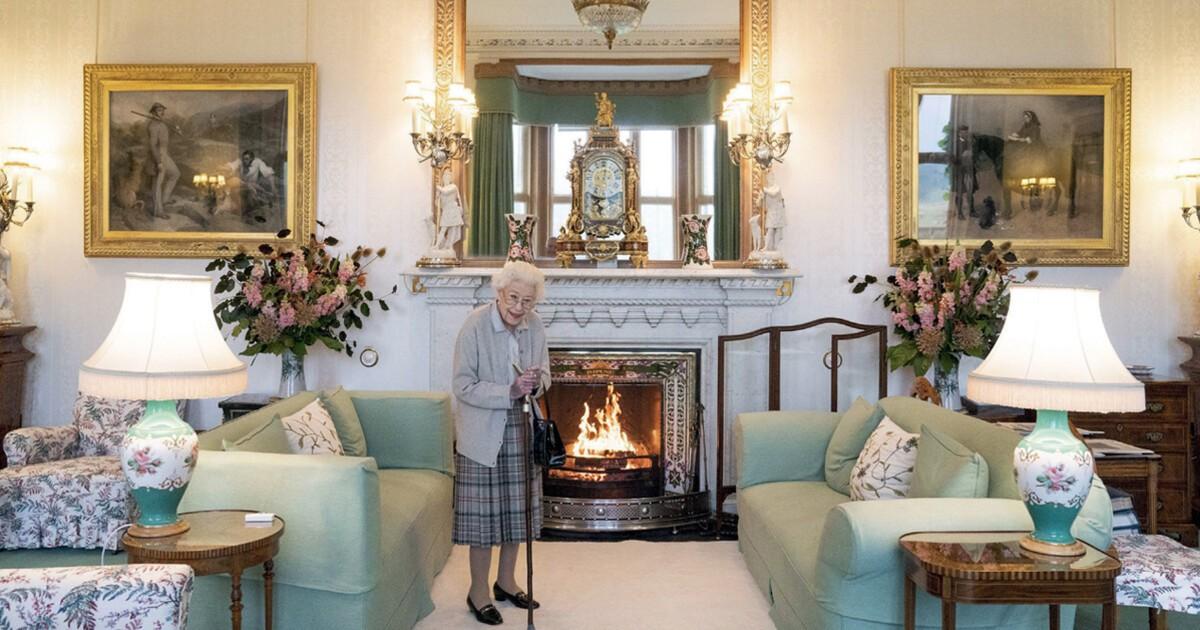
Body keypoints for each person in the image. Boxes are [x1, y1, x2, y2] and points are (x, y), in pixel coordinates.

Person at [452, 261, 550, 626]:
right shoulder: (475, 325)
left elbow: (547, 376)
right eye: (514, 298)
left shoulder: (535, 325)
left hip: (522, 427)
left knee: (516, 513)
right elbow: (462, 386)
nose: (519, 307)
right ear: (499, 292)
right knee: (484, 520)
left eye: (527, 301)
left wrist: (535, 383)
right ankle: (478, 591)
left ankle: (506, 582)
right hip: (482, 433)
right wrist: (508, 390)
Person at [146, 103, 179, 219]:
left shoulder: (162, 124)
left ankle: (164, 200)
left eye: (162, 110)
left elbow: (166, 139)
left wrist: (176, 130)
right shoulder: (153, 126)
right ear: (154, 112)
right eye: (159, 110)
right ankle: (158, 211)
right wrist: (158, 162)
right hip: (157, 155)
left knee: (175, 174)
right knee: (157, 184)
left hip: (165, 153)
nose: (162, 112)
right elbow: (152, 145)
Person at [224, 150, 279, 218]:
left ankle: (263, 204)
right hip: (241, 185)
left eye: (247, 159)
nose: (244, 161)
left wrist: (273, 187)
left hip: (253, 185)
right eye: (243, 158)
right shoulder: (240, 161)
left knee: (256, 194)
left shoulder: (258, 162)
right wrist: (226, 168)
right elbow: (231, 166)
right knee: (234, 186)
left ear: (252, 159)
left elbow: (268, 173)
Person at [436, 169, 467, 251]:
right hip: (446, 211)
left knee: (453, 230)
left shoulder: (453, 186)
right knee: (443, 229)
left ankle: (449, 246)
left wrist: (438, 188)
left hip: (453, 210)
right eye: (445, 176)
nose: (446, 177)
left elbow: (446, 192)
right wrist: (437, 196)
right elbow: (438, 204)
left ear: (450, 178)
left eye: (448, 175)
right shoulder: (441, 189)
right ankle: (436, 245)